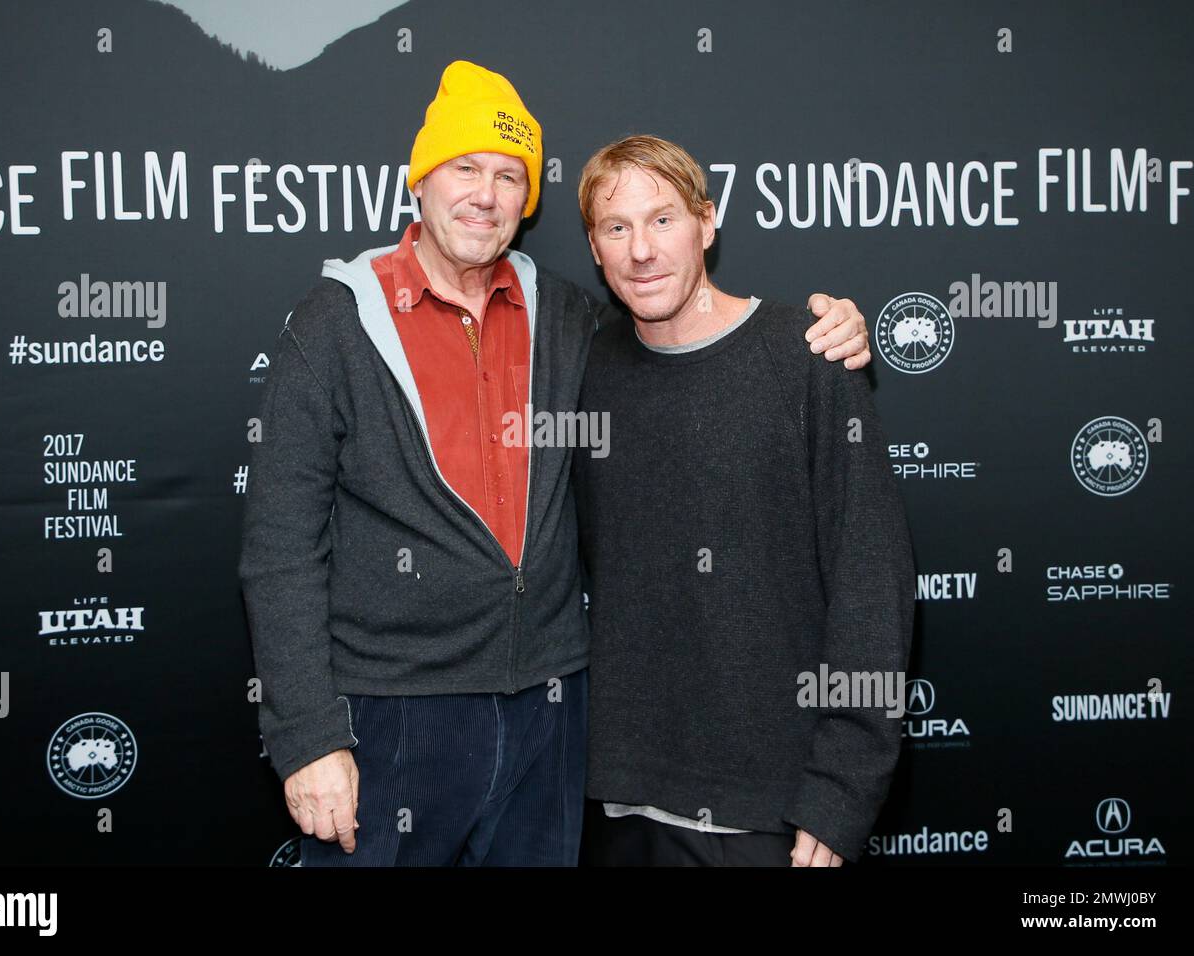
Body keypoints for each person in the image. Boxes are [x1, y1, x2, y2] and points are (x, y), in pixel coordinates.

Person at [237, 61, 873, 867]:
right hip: (390, 719)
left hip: (550, 713)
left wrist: (828, 331)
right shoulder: (332, 324)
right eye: (464, 168)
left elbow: (695, 341)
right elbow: (280, 550)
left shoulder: (571, 320)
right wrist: (306, 738)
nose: (486, 194)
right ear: (420, 183)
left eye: (510, 177)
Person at [572, 135, 915, 867]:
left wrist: (841, 791)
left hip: (773, 813)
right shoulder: (581, 367)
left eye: (663, 220)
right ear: (594, 250)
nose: (641, 250)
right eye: (616, 227)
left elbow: (872, 583)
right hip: (611, 803)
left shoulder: (810, 357)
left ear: (708, 222)